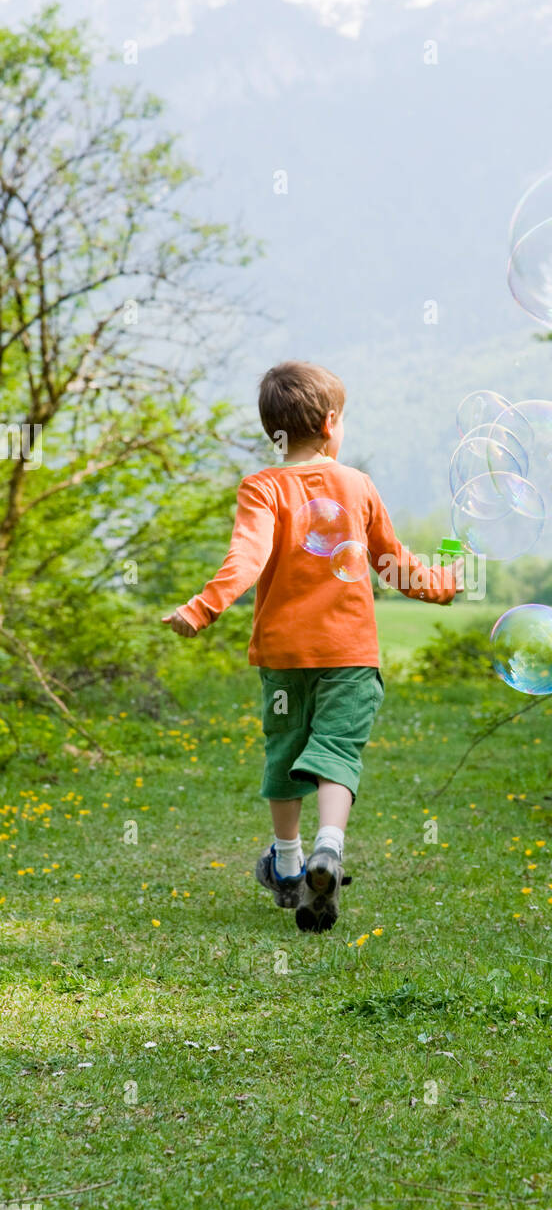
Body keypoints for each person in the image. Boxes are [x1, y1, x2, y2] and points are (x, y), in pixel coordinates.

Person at [162, 360, 462, 931]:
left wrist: (201, 609)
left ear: (273, 429)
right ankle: (329, 847)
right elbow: (392, 563)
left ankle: (289, 861)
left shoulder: (261, 487)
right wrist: (442, 585)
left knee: (284, 753)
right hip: (349, 655)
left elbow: (245, 561)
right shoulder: (358, 485)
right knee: (336, 753)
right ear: (330, 423)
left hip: (283, 657)